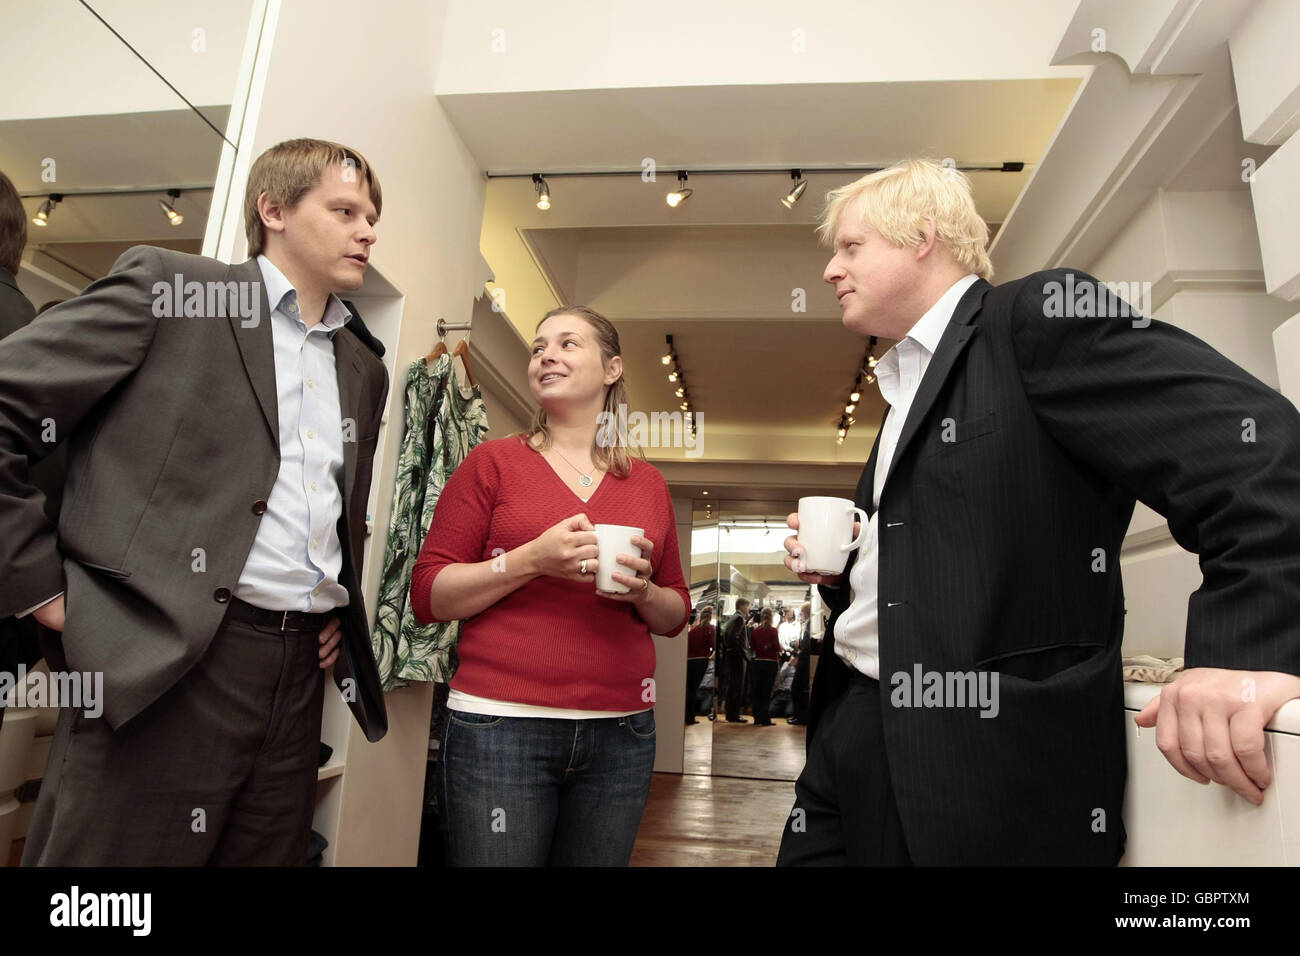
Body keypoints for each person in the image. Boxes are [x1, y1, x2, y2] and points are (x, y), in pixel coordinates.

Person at [779, 157, 1300, 866]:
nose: (831, 271)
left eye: (850, 246)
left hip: (983, 765)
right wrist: (850, 569)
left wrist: (1242, 655)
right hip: (852, 733)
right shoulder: (906, 387)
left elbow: (1257, 445)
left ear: (922, 235)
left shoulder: (1036, 317)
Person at [0, 139, 391, 865]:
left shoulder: (363, 369)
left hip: (297, 681)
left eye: (371, 215)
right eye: (344, 210)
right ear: (272, 209)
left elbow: (328, 515)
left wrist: (332, 610)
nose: (367, 229)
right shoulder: (169, 288)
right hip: (164, 664)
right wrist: (43, 591)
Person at [412, 304, 691, 867]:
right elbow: (428, 595)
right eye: (539, 347)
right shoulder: (490, 465)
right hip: (499, 727)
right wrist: (529, 561)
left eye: (567, 344)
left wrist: (641, 593)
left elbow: (676, 612)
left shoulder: (649, 484)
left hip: (623, 734)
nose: (546, 355)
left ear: (612, 370)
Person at [748, 608, 782, 726]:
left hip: (758, 662)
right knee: (767, 692)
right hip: (770, 662)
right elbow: (777, 648)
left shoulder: (756, 630)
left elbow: (752, 647)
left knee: (757, 691)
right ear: (771, 617)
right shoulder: (773, 631)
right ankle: (765, 718)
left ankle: (757, 718)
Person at [720, 598, 751, 723]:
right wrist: (743, 653)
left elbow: (727, 636)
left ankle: (731, 713)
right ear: (742, 606)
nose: (748, 609)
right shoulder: (739, 618)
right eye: (747, 606)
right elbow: (734, 637)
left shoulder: (733, 618)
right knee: (737, 686)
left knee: (733, 685)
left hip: (732, 655)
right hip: (738, 657)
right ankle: (734, 714)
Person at [686, 605, 715, 724]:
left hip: (691, 660)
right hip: (702, 660)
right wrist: (710, 656)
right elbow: (714, 644)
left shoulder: (694, 630)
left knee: (690, 689)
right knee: (693, 689)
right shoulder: (710, 628)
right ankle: (690, 717)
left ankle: (688, 716)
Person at [789, 602, 812, 725]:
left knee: (798, 688)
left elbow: (807, 644)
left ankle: (799, 716)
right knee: (800, 688)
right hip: (804, 659)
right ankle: (799, 715)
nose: (801, 615)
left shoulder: (809, 624)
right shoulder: (808, 624)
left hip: (804, 661)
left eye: (802, 613)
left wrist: (800, 646)